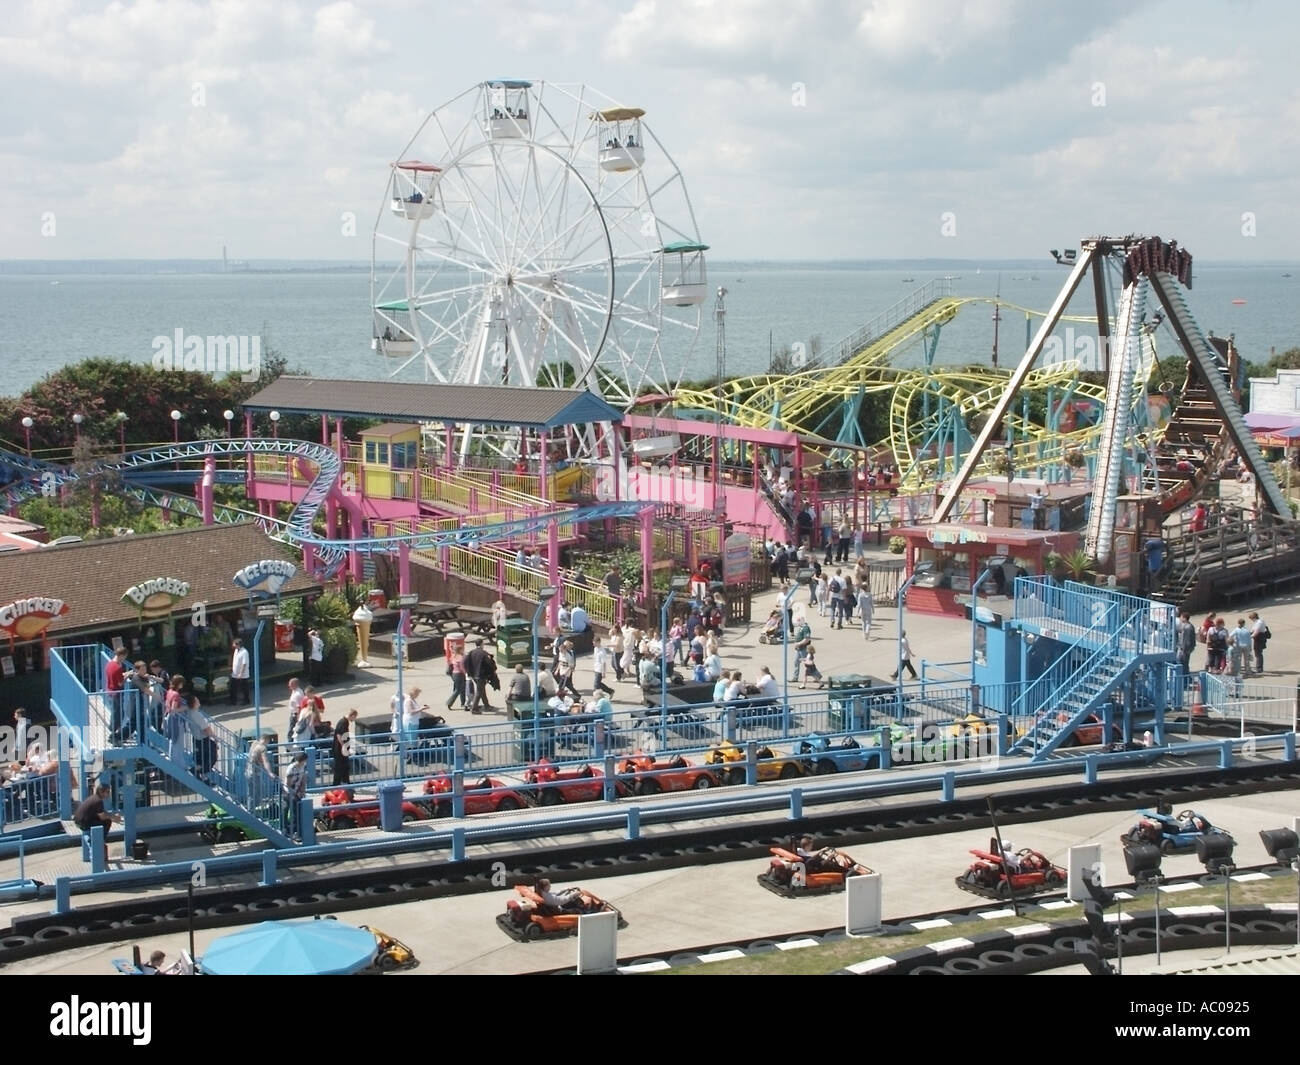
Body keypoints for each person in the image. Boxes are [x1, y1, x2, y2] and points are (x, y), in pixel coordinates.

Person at [73, 783, 121, 864]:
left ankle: (99, 840)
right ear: (101, 792)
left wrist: (112, 817)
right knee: (107, 822)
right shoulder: (98, 801)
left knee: (106, 820)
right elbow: (103, 817)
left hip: (78, 821)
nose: (109, 794)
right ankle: (100, 841)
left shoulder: (94, 798)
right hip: (83, 823)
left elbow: (102, 812)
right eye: (107, 792)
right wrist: (114, 818)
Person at [464, 639, 497, 713]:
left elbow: (465, 661)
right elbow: (489, 664)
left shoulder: (471, 652)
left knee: (481, 689)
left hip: (473, 675)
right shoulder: (484, 653)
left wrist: (469, 671)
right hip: (481, 675)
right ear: (482, 644)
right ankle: (474, 708)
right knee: (479, 691)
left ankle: (486, 705)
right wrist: (492, 671)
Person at [105, 646, 129, 744]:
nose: (124, 659)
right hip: (117, 693)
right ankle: (113, 735)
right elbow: (120, 683)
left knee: (115, 713)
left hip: (110, 691)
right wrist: (127, 676)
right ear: (121, 655)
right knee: (119, 714)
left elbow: (115, 677)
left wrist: (124, 674)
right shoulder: (118, 667)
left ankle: (117, 734)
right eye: (124, 656)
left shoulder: (109, 664)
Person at [284, 752, 309, 841]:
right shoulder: (291, 768)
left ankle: (299, 832)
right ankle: (293, 832)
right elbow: (288, 783)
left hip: (297, 792)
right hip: (289, 792)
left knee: (299, 812)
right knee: (294, 812)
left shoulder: (303, 767)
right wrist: (293, 793)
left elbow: (303, 779)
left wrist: (302, 791)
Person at [229, 638, 251, 706]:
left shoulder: (244, 652)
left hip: (243, 674)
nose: (233, 645)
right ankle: (233, 701)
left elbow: (244, 664)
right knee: (233, 687)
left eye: (234, 644)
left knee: (244, 688)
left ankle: (247, 700)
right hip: (235, 673)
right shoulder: (236, 650)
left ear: (238, 645)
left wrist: (241, 674)